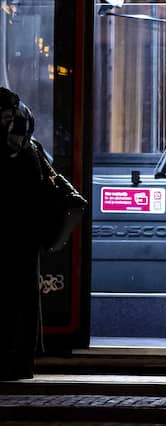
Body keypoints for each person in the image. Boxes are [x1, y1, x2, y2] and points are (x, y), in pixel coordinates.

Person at [1, 87, 39, 381]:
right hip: (23, 238)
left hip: (14, 237)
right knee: (20, 301)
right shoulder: (30, 153)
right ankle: (20, 361)